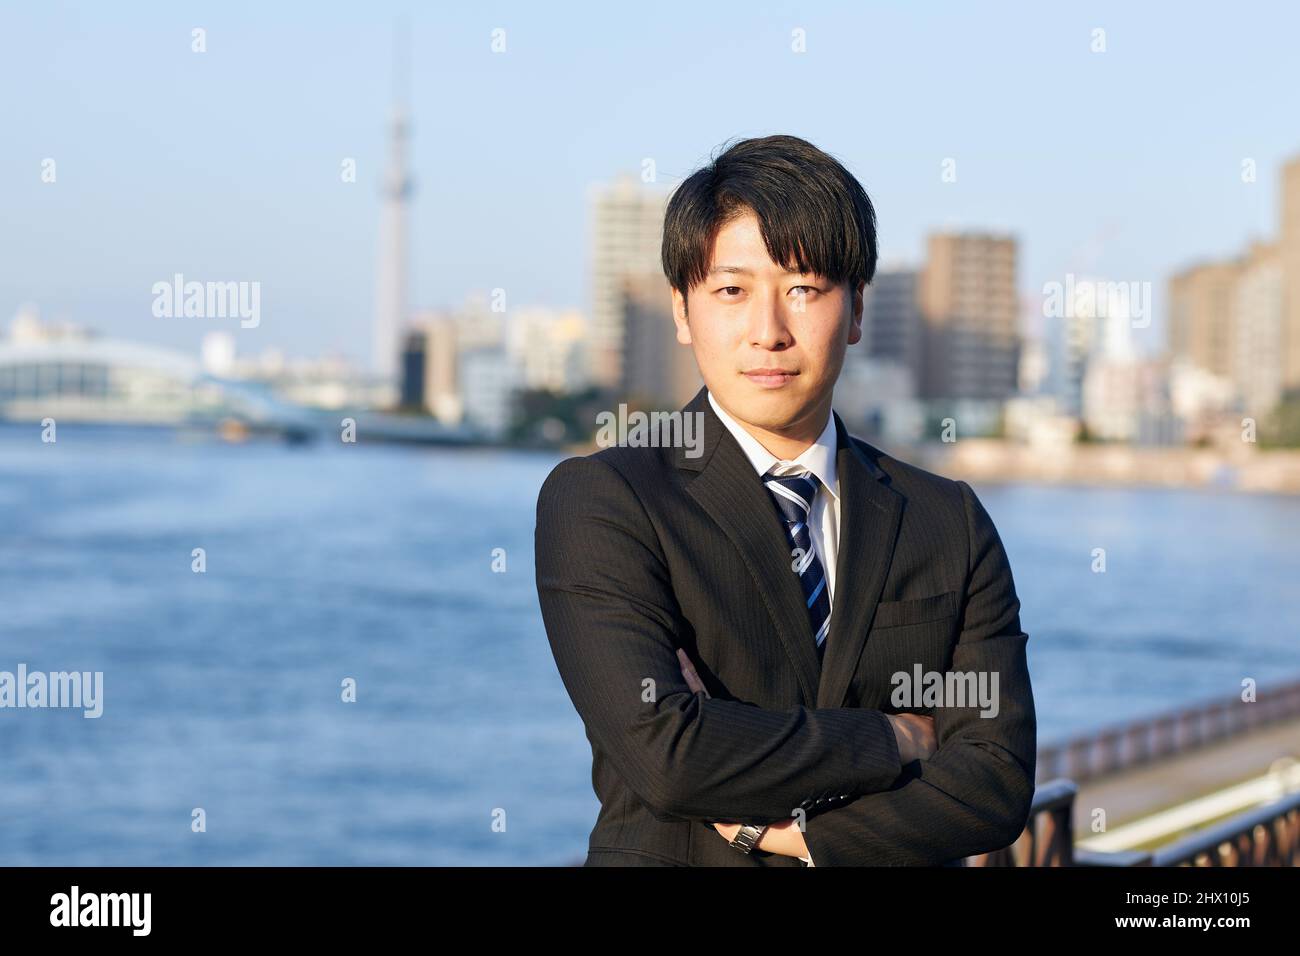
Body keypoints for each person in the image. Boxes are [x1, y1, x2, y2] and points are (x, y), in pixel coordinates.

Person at [535, 134, 1036, 866]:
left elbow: (995, 780)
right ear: (683, 310)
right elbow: (669, 756)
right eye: (731, 291)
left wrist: (798, 835)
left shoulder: (946, 523)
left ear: (858, 308)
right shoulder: (607, 501)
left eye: (803, 289)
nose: (768, 332)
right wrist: (895, 736)